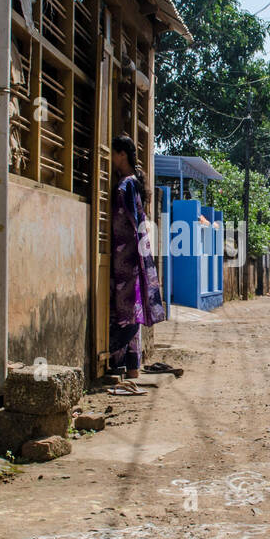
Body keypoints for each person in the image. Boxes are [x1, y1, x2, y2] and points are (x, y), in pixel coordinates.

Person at [109, 136, 166, 381]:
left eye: (113, 153)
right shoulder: (132, 184)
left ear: (122, 154)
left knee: (127, 312)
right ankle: (131, 367)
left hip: (127, 255)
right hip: (132, 254)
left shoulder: (127, 185)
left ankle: (113, 353)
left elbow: (132, 222)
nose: (111, 159)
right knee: (131, 308)